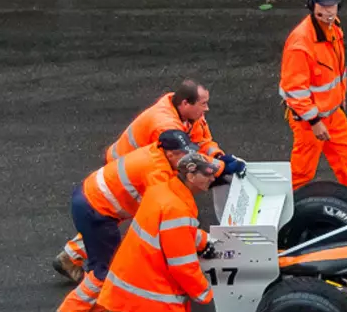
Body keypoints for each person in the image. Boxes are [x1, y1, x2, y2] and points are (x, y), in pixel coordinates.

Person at [52, 80, 244, 282]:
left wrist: (219, 157)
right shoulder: (165, 125)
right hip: (128, 170)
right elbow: (185, 159)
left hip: (132, 169)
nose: (207, 108)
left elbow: (201, 142)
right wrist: (220, 168)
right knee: (136, 216)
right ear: (186, 103)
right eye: (203, 104)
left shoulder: (182, 110)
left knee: (108, 217)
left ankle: (72, 255)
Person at [55, 130, 207, 312]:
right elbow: (164, 214)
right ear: (169, 154)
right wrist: (197, 239)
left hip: (91, 201)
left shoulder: (156, 154)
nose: (186, 158)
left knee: (103, 261)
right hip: (97, 211)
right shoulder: (156, 172)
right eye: (182, 154)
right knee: (106, 269)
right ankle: (73, 310)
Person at [97, 152, 219, 312]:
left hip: (133, 278)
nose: (212, 177)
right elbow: (182, 264)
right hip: (153, 284)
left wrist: (202, 240)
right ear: (190, 175)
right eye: (207, 173)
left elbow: (172, 233)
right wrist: (204, 293)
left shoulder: (163, 191)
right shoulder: (177, 208)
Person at [278, 0, 347, 204]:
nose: (330, 12)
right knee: (302, 172)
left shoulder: (333, 29)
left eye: (333, 7)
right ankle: (289, 213)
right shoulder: (300, 44)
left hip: (333, 113)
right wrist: (315, 121)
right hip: (309, 121)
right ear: (313, 7)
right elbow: (294, 89)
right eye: (324, 7)